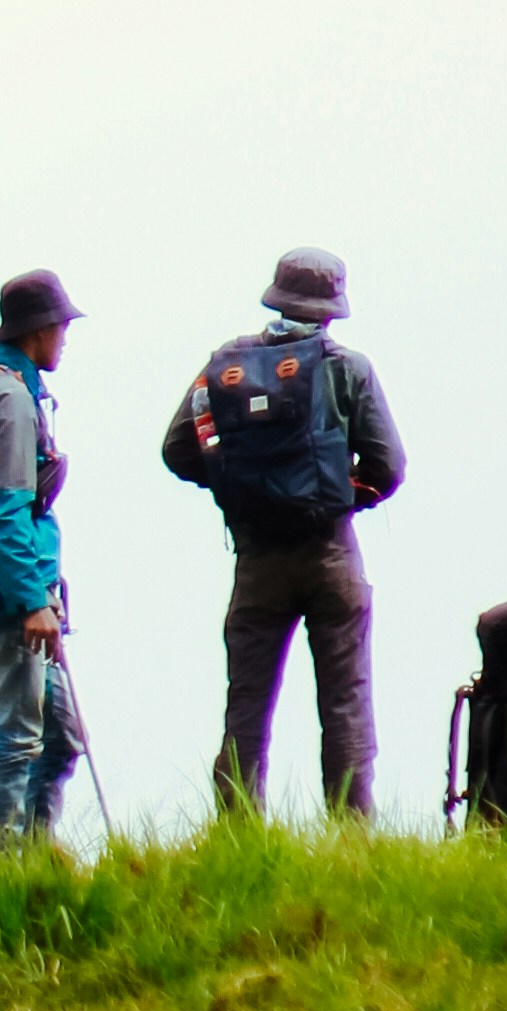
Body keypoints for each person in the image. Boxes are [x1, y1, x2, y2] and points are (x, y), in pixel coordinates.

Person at [161, 241, 407, 819]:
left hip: (256, 559)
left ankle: (238, 832)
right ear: (330, 309)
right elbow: (389, 466)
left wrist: (237, 486)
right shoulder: (347, 368)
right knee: (344, 701)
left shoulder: (226, 364)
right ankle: (350, 834)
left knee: (246, 703)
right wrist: (340, 497)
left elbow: (176, 450)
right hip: (329, 554)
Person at [0, 272, 87, 850]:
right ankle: (2, 868)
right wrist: (34, 601)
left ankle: (36, 857)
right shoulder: (8, 400)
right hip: (5, 590)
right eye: (62, 326)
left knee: (60, 736)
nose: (65, 338)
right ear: (42, 329)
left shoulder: (8, 389)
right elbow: (5, 512)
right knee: (18, 735)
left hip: (12, 584)